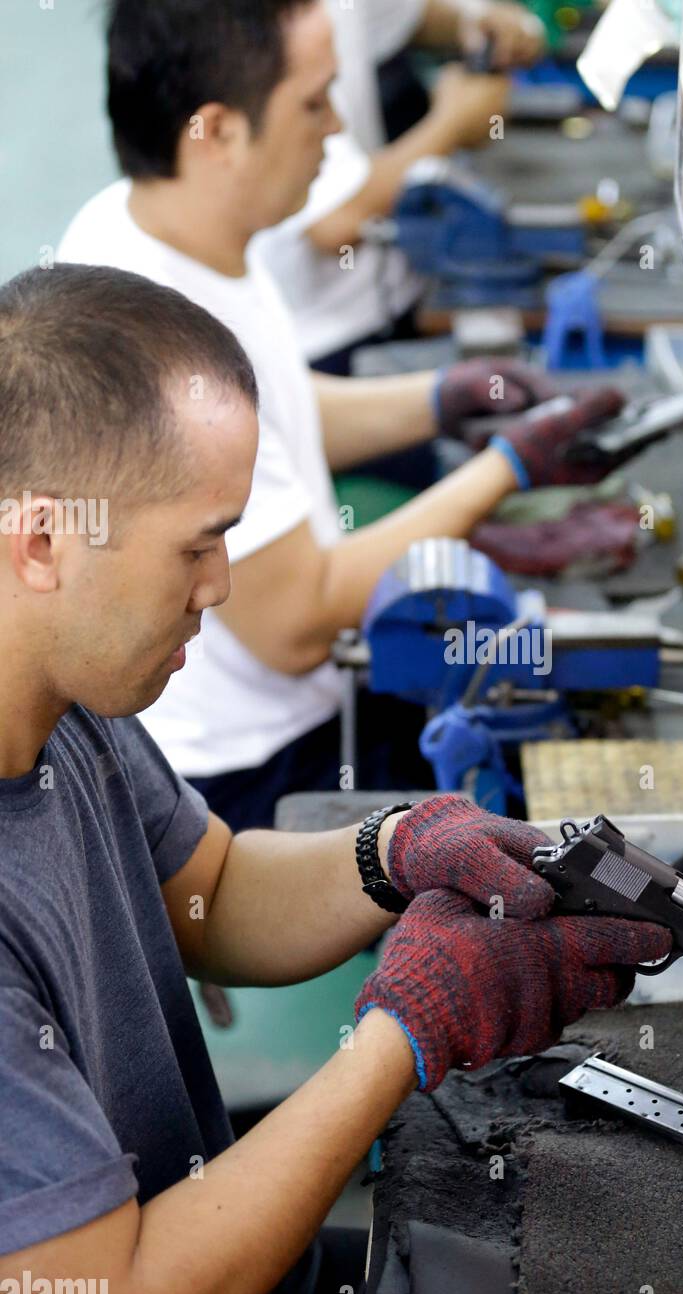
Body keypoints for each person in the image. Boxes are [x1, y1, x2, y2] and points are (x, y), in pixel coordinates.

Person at [0, 263, 671, 1294]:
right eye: (198, 544)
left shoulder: (64, 694)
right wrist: (404, 1029)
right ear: (44, 540)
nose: (221, 585)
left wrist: (394, 849)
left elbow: (210, 892)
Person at [58, 0, 625, 831]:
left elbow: (278, 418)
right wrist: (507, 470)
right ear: (215, 130)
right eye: (314, 102)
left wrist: (443, 399)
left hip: (298, 695)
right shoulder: (156, 333)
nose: (335, 129)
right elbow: (297, 620)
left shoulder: (147, 229)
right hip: (253, 773)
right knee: (566, 798)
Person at [255, 0, 547, 378]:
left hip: (388, 297)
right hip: (321, 340)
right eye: (315, 104)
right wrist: (453, 123)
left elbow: (402, 15)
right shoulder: (253, 22)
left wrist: (473, 19)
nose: (335, 125)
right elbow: (334, 217)